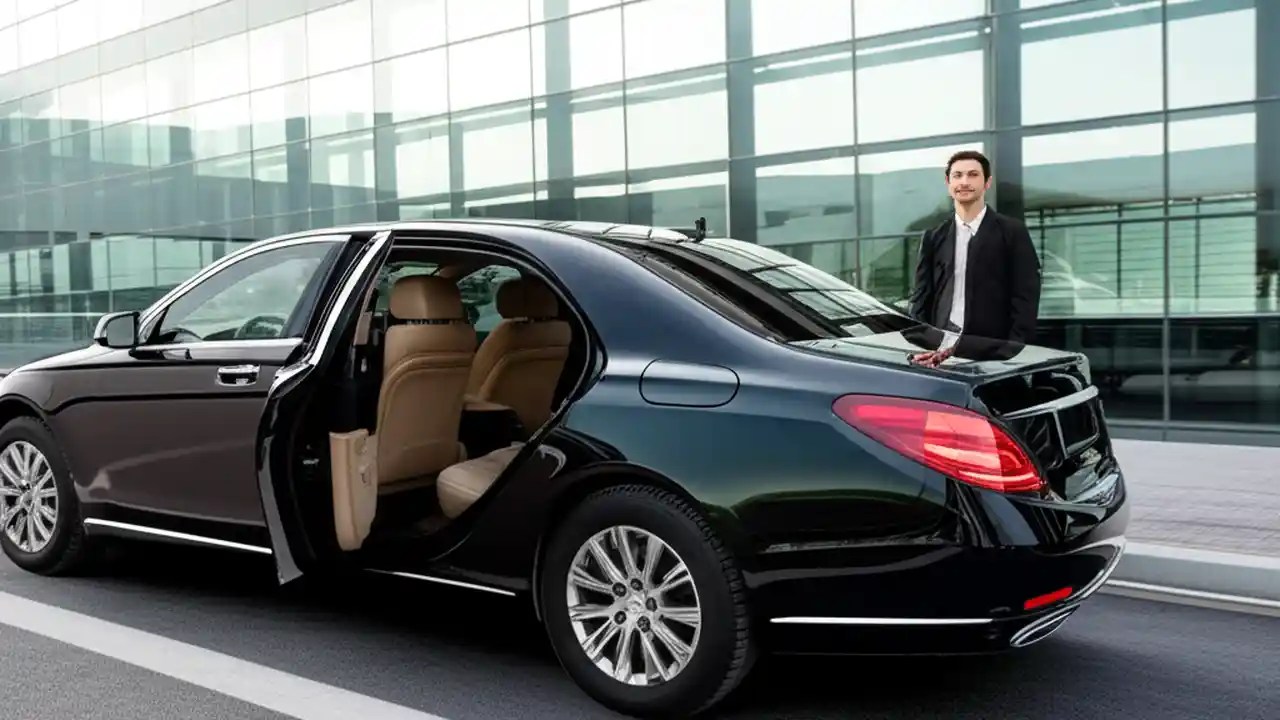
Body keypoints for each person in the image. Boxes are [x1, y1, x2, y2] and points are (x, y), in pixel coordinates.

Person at [907, 150, 1041, 367]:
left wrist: (1012, 347)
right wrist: (921, 341)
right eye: (957, 175)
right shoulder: (934, 236)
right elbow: (921, 295)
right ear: (948, 182)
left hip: (992, 351)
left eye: (973, 175)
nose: (964, 182)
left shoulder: (1012, 232)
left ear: (987, 182)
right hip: (938, 350)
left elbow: (1026, 294)